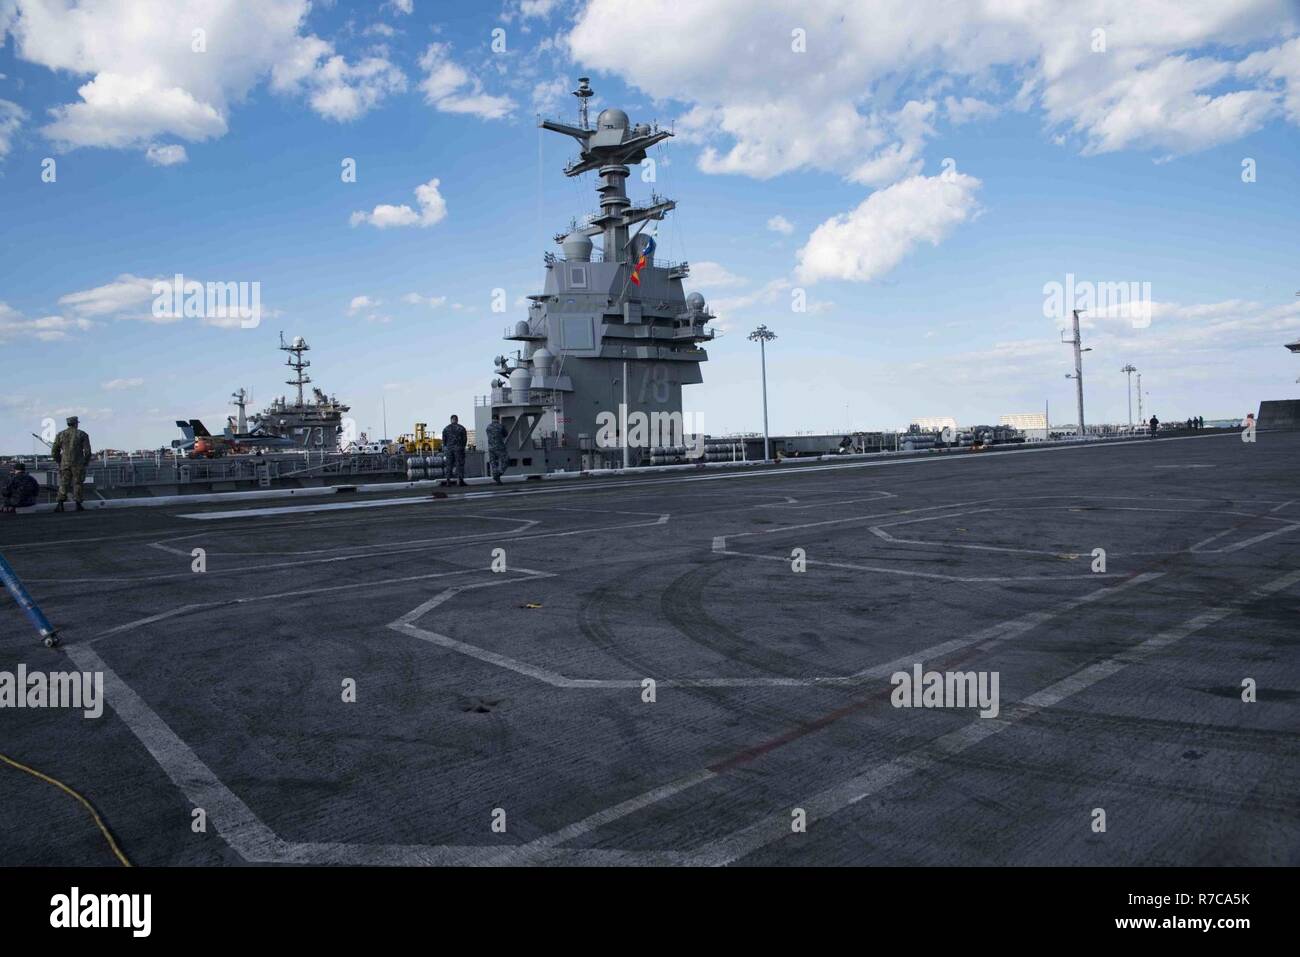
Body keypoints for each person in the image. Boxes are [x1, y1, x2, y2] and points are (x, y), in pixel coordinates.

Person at [52, 415, 92, 512]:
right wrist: (85, 462)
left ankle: (60, 504)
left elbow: (54, 451)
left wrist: (59, 461)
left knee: (64, 483)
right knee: (78, 483)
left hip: (64, 463)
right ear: (76, 423)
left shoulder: (60, 434)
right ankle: (78, 504)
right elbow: (88, 452)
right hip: (78, 463)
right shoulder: (82, 434)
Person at [441, 414, 468, 487]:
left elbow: (444, 441)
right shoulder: (461, 428)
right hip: (459, 449)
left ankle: (448, 481)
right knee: (459, 465)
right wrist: (462, 447)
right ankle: (460, 481)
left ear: (451, 420)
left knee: (449, 465)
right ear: (457, 419)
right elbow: (465, 440)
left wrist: (446, 448)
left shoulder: (446, 429)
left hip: (449, 449)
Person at [485, 414, 507, 485]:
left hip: (491, 447)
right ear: (498, 419)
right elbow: (505, 434)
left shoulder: (488, 427)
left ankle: (496, 478)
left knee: (494, 463)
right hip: (500, 447)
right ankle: (499, 473)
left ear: (492, 419)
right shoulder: (501, 426)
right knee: (506, 460)